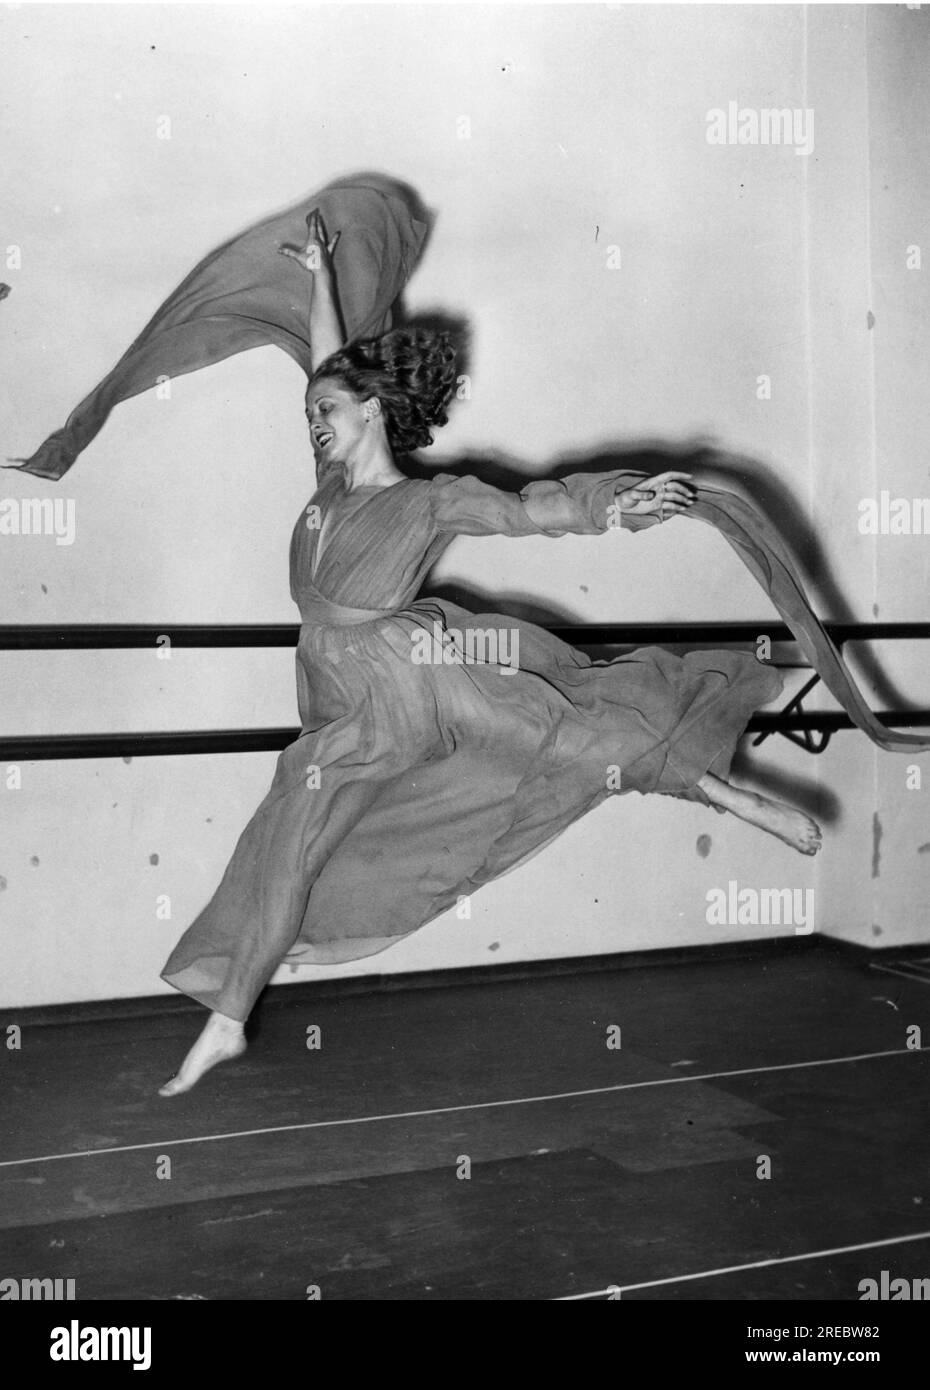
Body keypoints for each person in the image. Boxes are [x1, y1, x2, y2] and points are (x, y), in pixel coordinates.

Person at [156, 211, 825, 1097]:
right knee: (286, 845)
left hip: (408, 681)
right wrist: (320, 276)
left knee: (567, 730)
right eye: (310, 408)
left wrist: (612, 507)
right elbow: (323, 364)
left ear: (371, 411)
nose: (313, 419)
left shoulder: (426, 503)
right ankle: (231, 1021)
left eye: (326, 409)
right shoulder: (327, 486)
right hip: (334, 692)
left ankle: (727, 793)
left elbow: (526, 508)